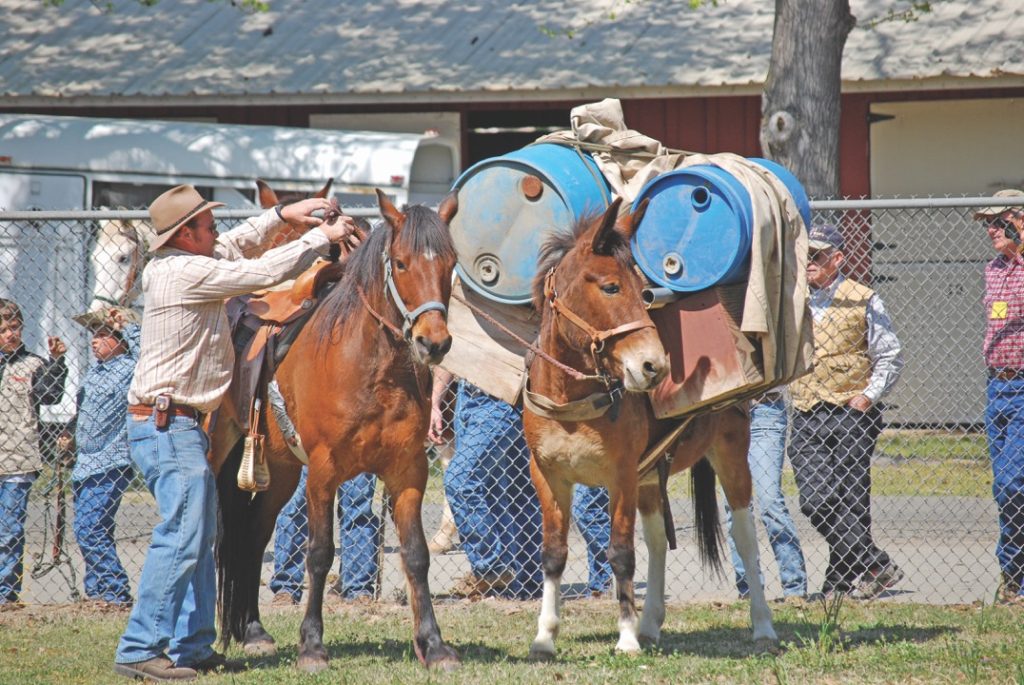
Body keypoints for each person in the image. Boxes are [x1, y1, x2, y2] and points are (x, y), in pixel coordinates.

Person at [113, 185, 357, 682]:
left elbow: (242, 241)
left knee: (198, 536)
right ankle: (141, 647)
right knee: (182, 537)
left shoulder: (188, 260)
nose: (215, 229)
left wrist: (283, 214)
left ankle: (194, 644)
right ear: (185, 235)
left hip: (178, 425)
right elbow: (262, 271)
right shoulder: (185, 271)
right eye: (206, 223)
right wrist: (320, 239)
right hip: (168, 424)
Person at [788, 223, 905, 600]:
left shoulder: (863, 298)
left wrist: (867, 397)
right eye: (805, 255)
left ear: (837, 259)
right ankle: (875, 563)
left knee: (851, 501)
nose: (809, 262)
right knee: (816, 500)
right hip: (807, 412)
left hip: (851, 413)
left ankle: (837, 585)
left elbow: (889, 355)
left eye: (817, 255)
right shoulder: (794, 299)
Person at [428, 369, 611, 599]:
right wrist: (436, 400)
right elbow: (453, 352)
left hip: (506, 398)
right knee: (504, 492)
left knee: (463, 481)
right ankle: (523, 586)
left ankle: (491, 569)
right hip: (466, 397)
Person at [56, 306, 141, 608]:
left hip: (111, 461)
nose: (94, 341)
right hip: (85, 463)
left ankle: (116, 592)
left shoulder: (131, 367)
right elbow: (84, 412)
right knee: (92, 529)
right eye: (93, 335)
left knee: (89, 528)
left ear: (121, 342)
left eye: (103, 335)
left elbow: (148, 353)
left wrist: (128, 326)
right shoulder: (95, 371)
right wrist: (69, 432)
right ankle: (97, 592)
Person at [0, 298, 68, 609]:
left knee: (10, 531)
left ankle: (4, 592)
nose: (9, 335)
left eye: (13, 328)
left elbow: (50, 395)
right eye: (1, 330)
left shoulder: (34, 364)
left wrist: (56, 363)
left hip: (17, 460)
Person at [976, 188, 1024, 606]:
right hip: (998, 385)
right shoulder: (993, 269)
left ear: (1019, 220)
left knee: (1013, 482)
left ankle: (1016, 571)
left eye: (998, 221)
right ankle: (1013, 577)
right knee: (1003, 486)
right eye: (987, 223)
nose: (991, 230)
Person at [724, 389, 808, 601]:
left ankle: (794, 588)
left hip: (765, 409)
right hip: (726, 413)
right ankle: (749, 589)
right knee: (735, 506)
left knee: (770, 500)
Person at [269, 468, 382, 605]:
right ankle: (286, 587)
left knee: (358, 509)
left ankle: (358, 589)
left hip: (356, 447)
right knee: (295, 504)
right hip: (308, 449)